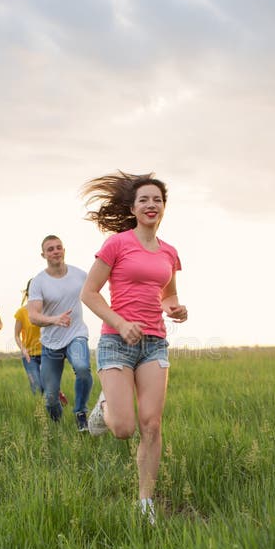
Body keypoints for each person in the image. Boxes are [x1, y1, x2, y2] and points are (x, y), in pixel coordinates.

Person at [80, 171, 188, 524]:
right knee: (124, 428)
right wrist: (120, 323)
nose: (151, 204)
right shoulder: (117, 244)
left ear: (163, 207)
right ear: (133, 207)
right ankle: (105, 408)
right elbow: (89, 293)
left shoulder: (169, 252)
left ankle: (145, 504)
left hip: (154, 343)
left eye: (157, 199)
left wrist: (175, 308)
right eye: (144, 199)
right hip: (116, 342)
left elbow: (168, 294)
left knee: (152, 425)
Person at [27, 235, 93, 430]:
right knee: (50, 397)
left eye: (58, 247)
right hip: (50, 343)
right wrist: (54, 319)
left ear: (64, 250)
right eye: (50, 249)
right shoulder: (39, 282)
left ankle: (81, 412)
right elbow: (33, 316)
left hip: (76, 334)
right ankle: (58, 427)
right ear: (43, 254)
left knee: (82, 368)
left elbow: (95, 294)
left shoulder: (80, 275)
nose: (55, 251)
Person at [14, 279, 68, 405]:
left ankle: (55, 397)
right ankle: (42, 410)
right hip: (29, 356)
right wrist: (23, 350)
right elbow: (16, 335)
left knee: (47, 384)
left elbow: (57, 330)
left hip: (47, 353)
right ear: (28, 293)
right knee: (36, 386)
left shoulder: (49, 311)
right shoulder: (21, 313)